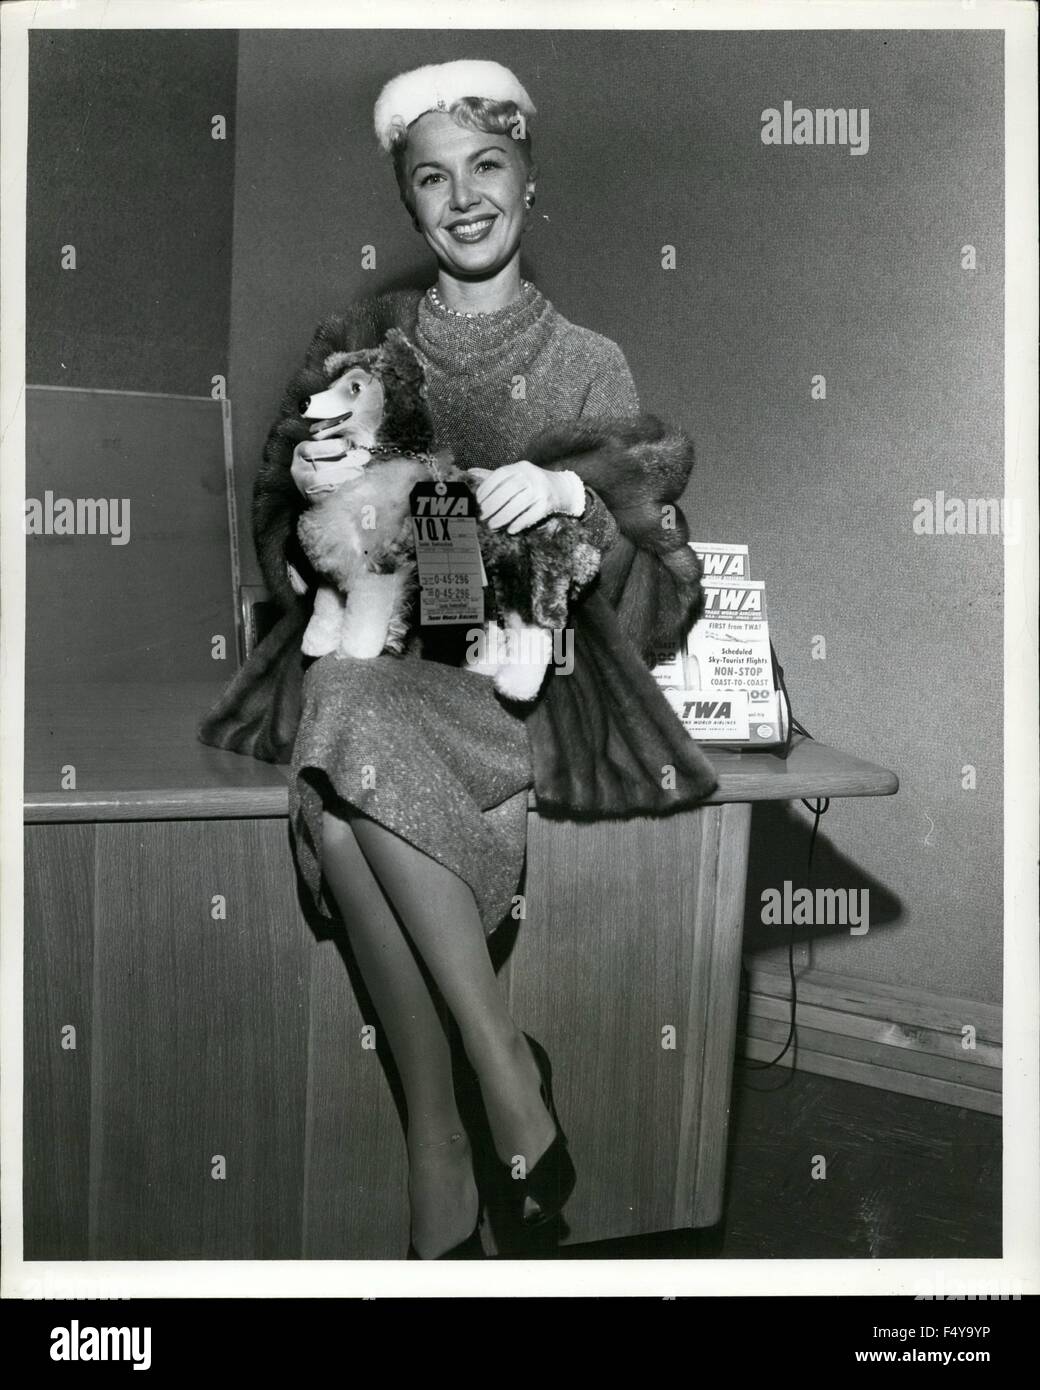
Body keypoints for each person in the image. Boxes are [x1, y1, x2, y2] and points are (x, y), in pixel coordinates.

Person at [198, 59, 717, 1259]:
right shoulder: (367, 347)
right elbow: (287, 518)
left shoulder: (590, 359)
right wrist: (314, 498)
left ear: (530, 182)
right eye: (431, 177)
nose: (463, 196)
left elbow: (639, 563)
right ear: (407, 201)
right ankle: (497, 1088)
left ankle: (457, 1119)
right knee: (341, 732)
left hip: (523, 674)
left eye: (487, 167)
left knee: (337, 779)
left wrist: (571, 492)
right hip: (386, 653)